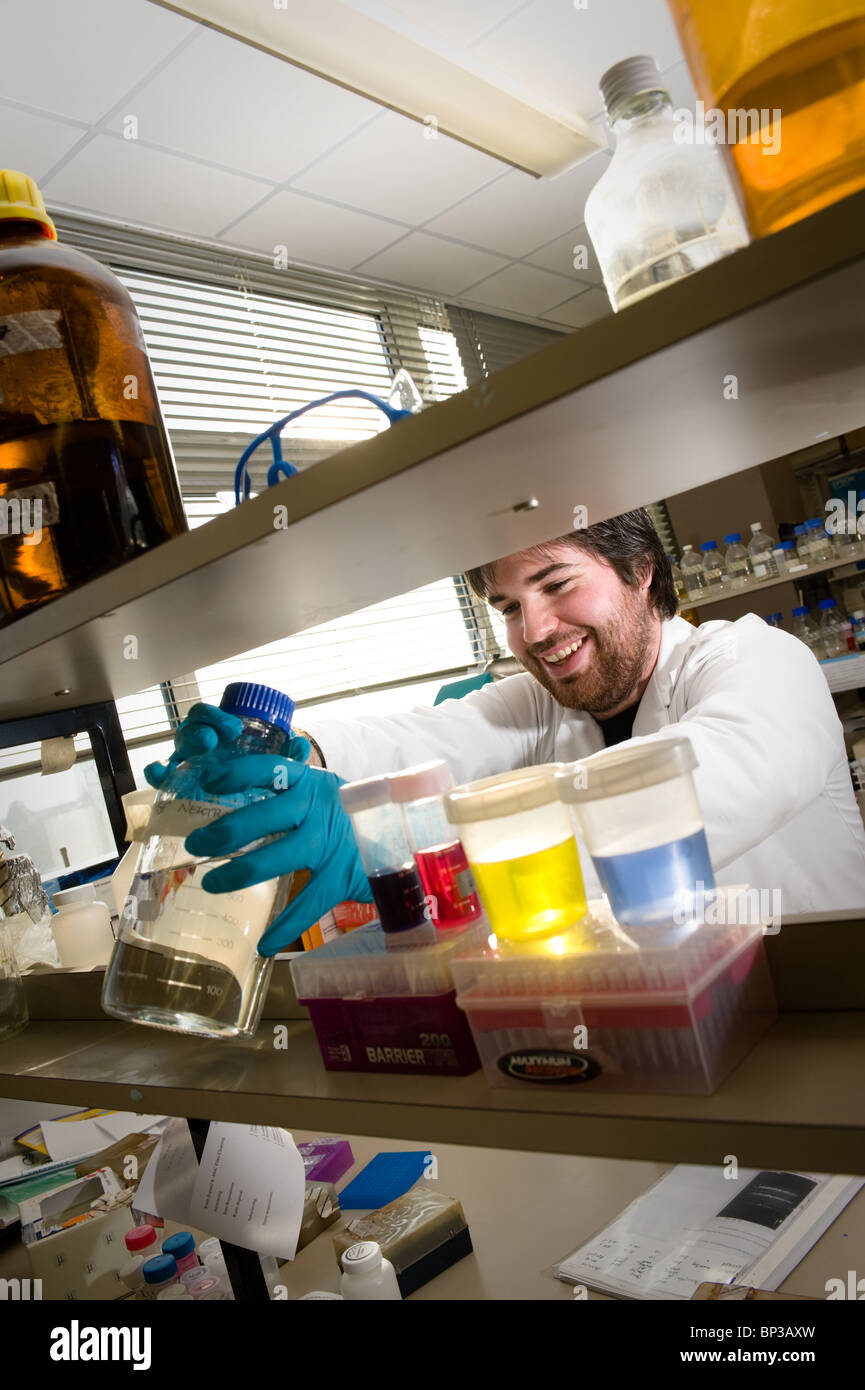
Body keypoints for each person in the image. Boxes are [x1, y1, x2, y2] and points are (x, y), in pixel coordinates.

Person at [147, 510, 865, 951]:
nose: (535, 631)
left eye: (555, 585)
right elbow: (422, 739)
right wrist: (285, 754)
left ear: (640, 569)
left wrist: (417, 856)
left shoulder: (759, 660)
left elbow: (682, 798)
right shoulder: (538, 705)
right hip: (672, 1020)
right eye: (508, 607)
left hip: (825, 1012)